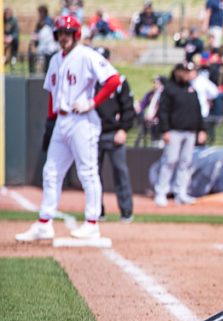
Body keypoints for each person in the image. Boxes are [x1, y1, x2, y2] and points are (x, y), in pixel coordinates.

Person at [16, 16, 121, 243]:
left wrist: (93, 102)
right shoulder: (55, 59)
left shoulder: (86, 55)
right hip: (62, 120)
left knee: (87, 172)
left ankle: (92, 223)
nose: (62, 36)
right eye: (59, 32)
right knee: (51, 172)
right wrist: (50, 122)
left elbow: (113, 79)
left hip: (83, 120)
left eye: (67, 32)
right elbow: (53, 94)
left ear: (76, 34)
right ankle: (44, 223)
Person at [154, 62, 207, 206]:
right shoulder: (169, 89)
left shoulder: (191, 89)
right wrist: (165, 130)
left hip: (190, 132)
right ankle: (161, 192)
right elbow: (163, 112)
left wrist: (202, 129)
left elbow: (198, 111)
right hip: (174, 131)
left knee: (185, 163)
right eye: (184, 71)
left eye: (188, 71)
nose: (187, 74)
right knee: (170, 161)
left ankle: (181, 192)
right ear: (177, 72)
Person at [94, 47, 137, 223]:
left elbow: (128, 108)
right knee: (92, 175)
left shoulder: (119, 81)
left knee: (121, 172)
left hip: (114, 133)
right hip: (94, 133)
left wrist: (123, 129)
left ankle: (126, 212)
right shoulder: (90, 80)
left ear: (109, 61)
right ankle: (96, 211)